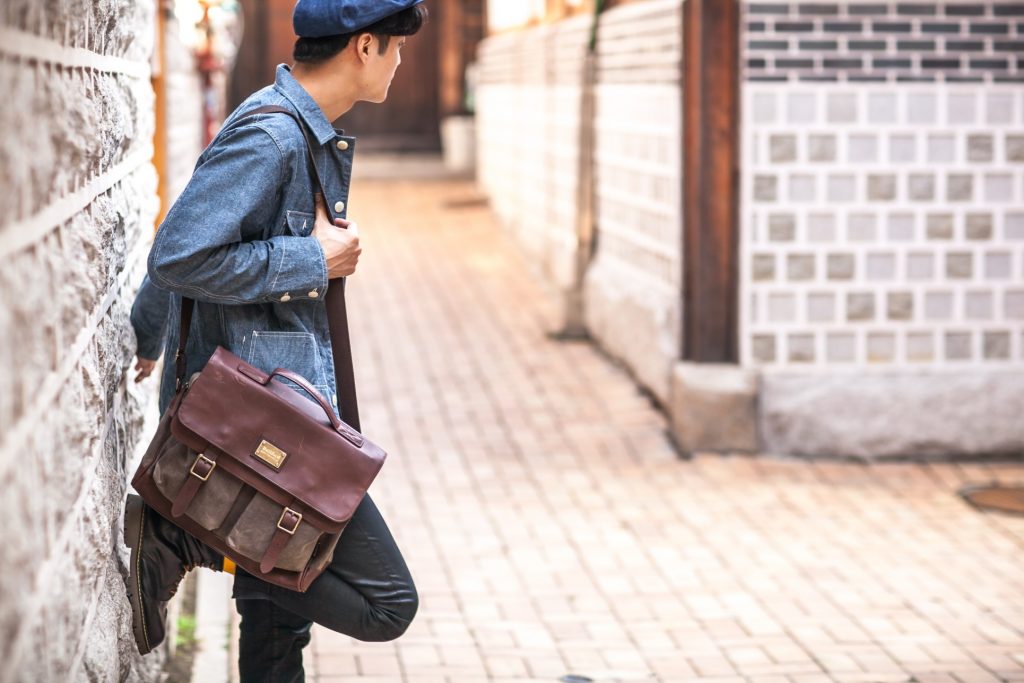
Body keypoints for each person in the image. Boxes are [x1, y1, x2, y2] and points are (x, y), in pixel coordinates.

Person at [125, 1, 426, 679]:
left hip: (282, 408)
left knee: (276, 624)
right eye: (399, 49)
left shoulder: (295, 129)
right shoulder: (273, 135)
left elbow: (190, 224)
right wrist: (314, 260)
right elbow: (181, 252)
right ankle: (185, 531)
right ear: (366, 46)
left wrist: (147, 330)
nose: (403, 63)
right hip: (264, 425)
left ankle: (198, 534)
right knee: (387, 602)